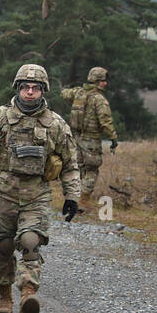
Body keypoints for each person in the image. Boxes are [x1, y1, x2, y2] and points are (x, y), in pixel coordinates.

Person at [0, 64, 80, 313]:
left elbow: (71, 164)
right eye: (25, 87)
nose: (29, 92)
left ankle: (28, 294)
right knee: (4, 245)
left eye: (35, 88)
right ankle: (5, 297)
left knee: (30, 242)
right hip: (3, 192)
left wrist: (72, 196)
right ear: (18, 89)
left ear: (43, 91)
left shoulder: (56, 125)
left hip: (36, 193)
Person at [60, 66, 117, 212]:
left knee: (78, 169)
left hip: (76, 138)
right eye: (103, 80)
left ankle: (71, 198)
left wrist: (63, 88)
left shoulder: (79, 92)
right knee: (91, 170)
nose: (106, 83)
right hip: (91, 140)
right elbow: (105, 121)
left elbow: (65, 94)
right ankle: (82, 202)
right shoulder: (99, 99)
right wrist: (113, 138)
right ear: (98, 81)